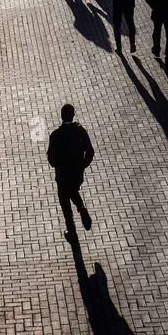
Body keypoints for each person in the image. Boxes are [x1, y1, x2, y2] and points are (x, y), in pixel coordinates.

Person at [47, 104, 95, 242]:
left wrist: (56, 164)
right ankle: (81, 208)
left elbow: (51, 157)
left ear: (62, 116)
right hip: (76, 173)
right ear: (73, 115)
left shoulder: (56, 135)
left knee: (64, 200)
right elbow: (90, 151)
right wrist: (82, 166)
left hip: (62, 174)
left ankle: (71, 229)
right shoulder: (81, 131)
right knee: (73, 190)